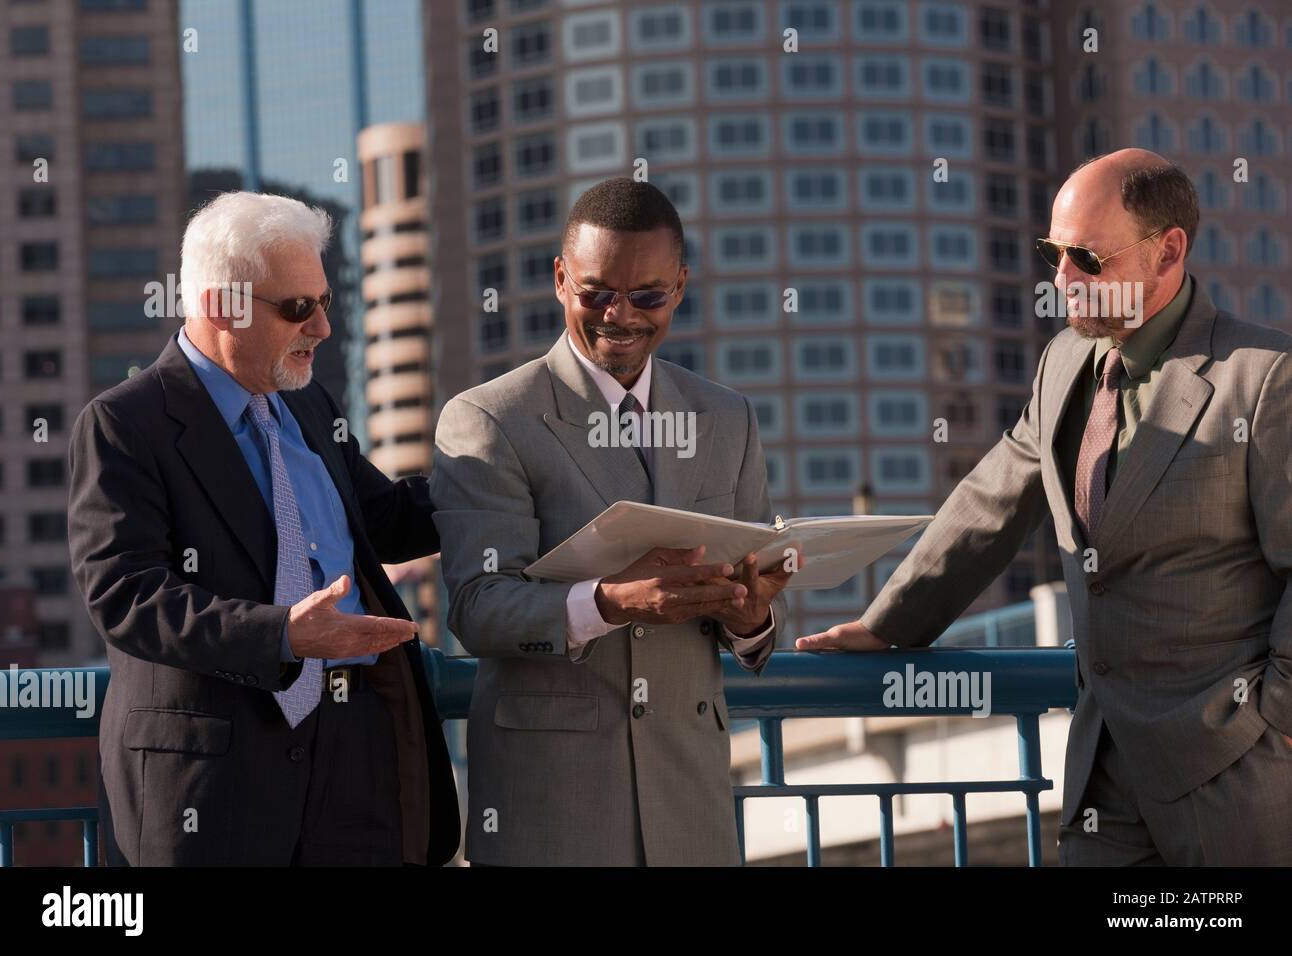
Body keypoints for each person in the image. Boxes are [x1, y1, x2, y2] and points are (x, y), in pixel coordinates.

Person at [799, 149, 1292, 865]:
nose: (1060, 280)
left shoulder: (1265, 379)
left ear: (1169, 252)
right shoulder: (1063, 362)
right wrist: (889, 625)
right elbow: (992, 502)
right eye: (1050, 253)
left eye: (1085, 258)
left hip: (1234, 782)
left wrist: (1271, 720)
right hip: (1103, 775)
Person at [68, 192, 459, 865]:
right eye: (298, 308)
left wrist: (510, 478)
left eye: (324, 302)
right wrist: (282, 635)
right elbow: (126, 595)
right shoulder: (125, 424)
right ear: (223, 306)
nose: (323, 328)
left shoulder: (310, 407)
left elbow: (387, 522)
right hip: (216, 777)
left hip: (356, 753)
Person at [431, 178, 791, 865]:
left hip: (692, 808)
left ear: (680, 287)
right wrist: (608, 602)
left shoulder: (727, 420)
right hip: (552, 813)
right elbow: (477, 608)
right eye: (597, 293)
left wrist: (752, 619)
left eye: (648, 296)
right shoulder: (488, 419)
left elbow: (757, 628)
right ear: (561, 279)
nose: (620, 316)